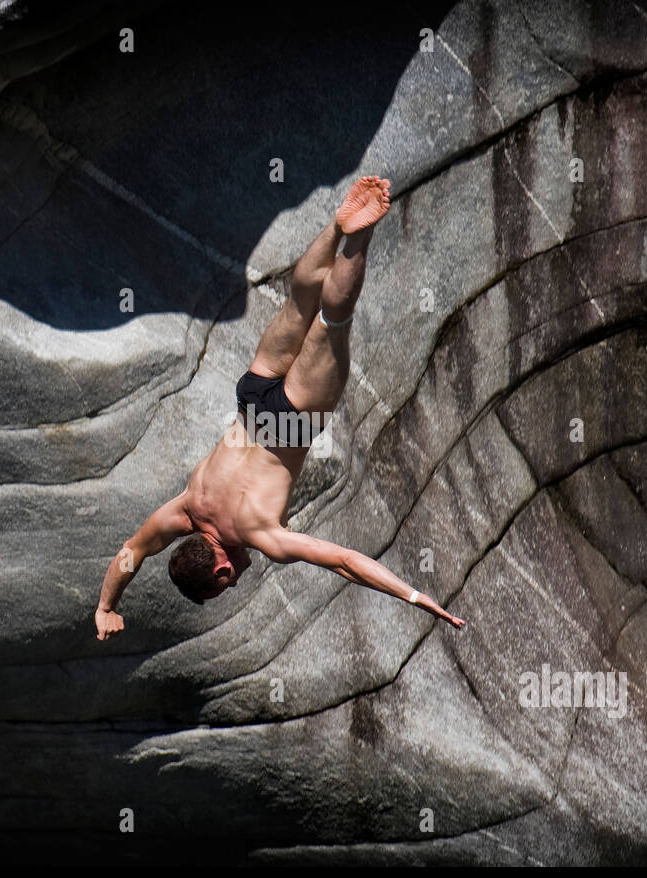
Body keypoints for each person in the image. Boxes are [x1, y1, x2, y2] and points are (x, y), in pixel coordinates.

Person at [95, 176, 465, 640]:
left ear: (221, 572)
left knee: (333, 320)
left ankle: (362, 231)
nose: (236, 583)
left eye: (224, 589)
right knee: (301, 300)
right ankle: (338, 225)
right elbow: (132, 552)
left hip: (290, 424)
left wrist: (414, 596)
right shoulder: (183, 510)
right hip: (251, 397)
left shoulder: (258, 534)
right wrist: (106, 604)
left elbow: (346, 563)